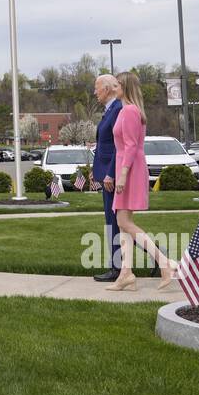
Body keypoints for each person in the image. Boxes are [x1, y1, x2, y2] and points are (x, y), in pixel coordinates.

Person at [108, 72, 177, 292]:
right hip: (129, 166)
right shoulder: (129, 110)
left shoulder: (129, 111)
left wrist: (123, 175)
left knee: (124, 222)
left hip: (129, 168)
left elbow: (130, 145)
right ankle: (125, 273)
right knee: (123, 222)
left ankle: (164, 263)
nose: (114, 88)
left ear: (126, 87)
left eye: (117, 85)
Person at [91, 74, 123, 282]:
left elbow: (118, 147)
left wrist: (110, 173)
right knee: (115, 222)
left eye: (97, 88)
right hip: (106, 174)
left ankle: (116, 268)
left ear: (108, 89)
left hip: (112, 175)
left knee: (116, 222)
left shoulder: (118, 109)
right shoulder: (110, 110)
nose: (95, 92)